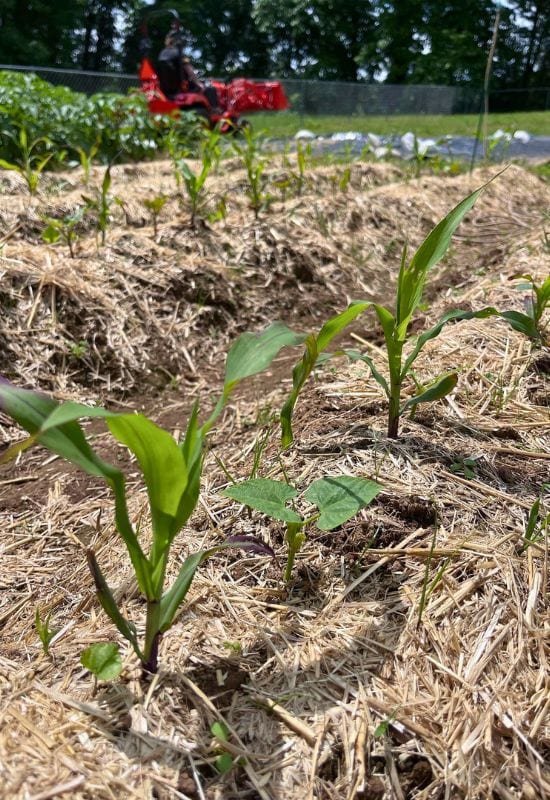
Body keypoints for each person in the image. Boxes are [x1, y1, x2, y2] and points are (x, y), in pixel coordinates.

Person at [157, 33, 221, 113]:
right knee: (210, 88)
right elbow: (189, 71)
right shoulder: (179, 53)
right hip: (182, 88)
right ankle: (215, 109)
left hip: (167, 91)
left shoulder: (162, 54)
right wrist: (199, 84)